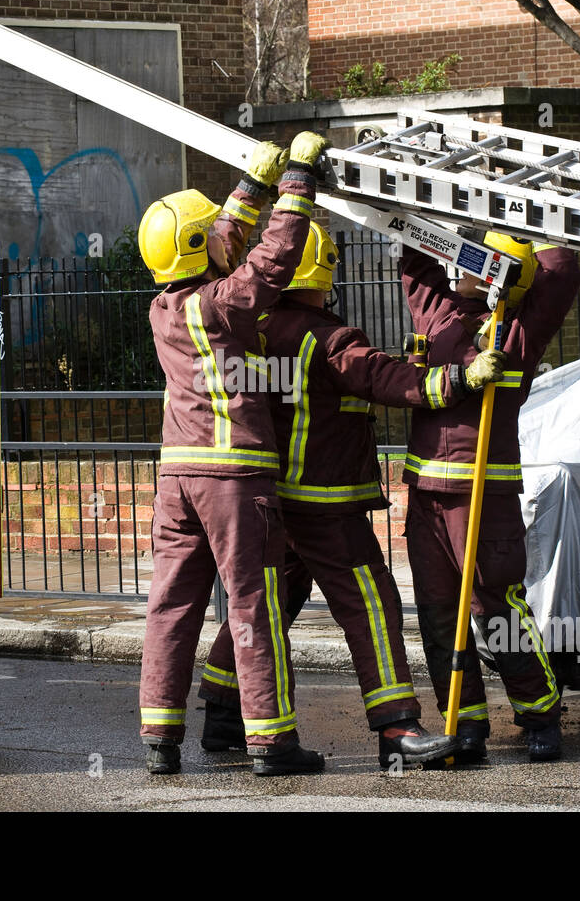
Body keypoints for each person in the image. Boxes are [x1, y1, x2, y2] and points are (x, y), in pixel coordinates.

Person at [194, 221, 508, 769]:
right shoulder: (328, 336)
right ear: (322, 276)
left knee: (269, 604)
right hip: (325, 503)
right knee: (371, 606)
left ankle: (221, 711)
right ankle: (397, 728)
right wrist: (457, 380)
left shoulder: (255, 330)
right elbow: (383, 379)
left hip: (271, 500)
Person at [137, 130, 330, 777]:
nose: (226, 236)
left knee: (171, 602)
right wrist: (298, 178)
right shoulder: (221, 306)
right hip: (233, 476)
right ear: (198, 249)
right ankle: (272, 742)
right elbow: (273, 260)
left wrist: (250, 186)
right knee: (254, 602)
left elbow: (215, 241)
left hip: (177, 477)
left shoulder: (165, 305)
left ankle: (160, 737)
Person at [399, 231, 580, 762]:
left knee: (493, 608)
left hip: (486, 493)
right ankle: (466, 721)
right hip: (427, 496)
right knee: (437, 615)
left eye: (477, 260)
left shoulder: (518, 329)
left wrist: (514, 223)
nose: (461, 266)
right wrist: (442, 226)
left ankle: (540, 714)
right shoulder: (440, 313)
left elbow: (562, 268)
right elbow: (414, 257)